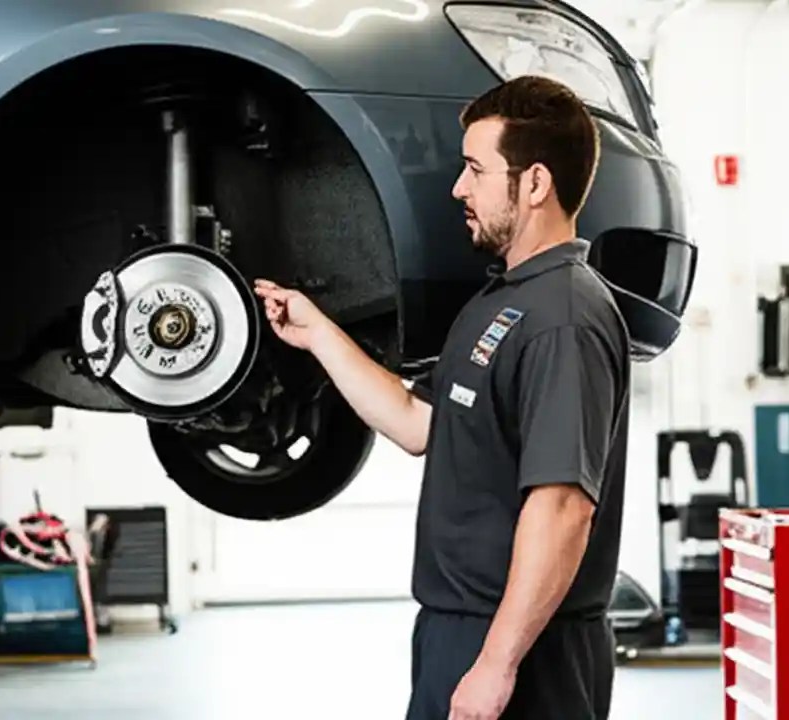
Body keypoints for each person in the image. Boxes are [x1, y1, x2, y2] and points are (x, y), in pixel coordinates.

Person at [254, 75, 629, 720]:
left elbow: (563, 507)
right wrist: (318, 333)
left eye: (475, 170)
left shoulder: (565, 315)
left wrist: (496, 664)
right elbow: (414, 421)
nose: (459, 188)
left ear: (534, 184)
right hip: (458, 633)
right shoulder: (499, 302)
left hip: (527, 651)